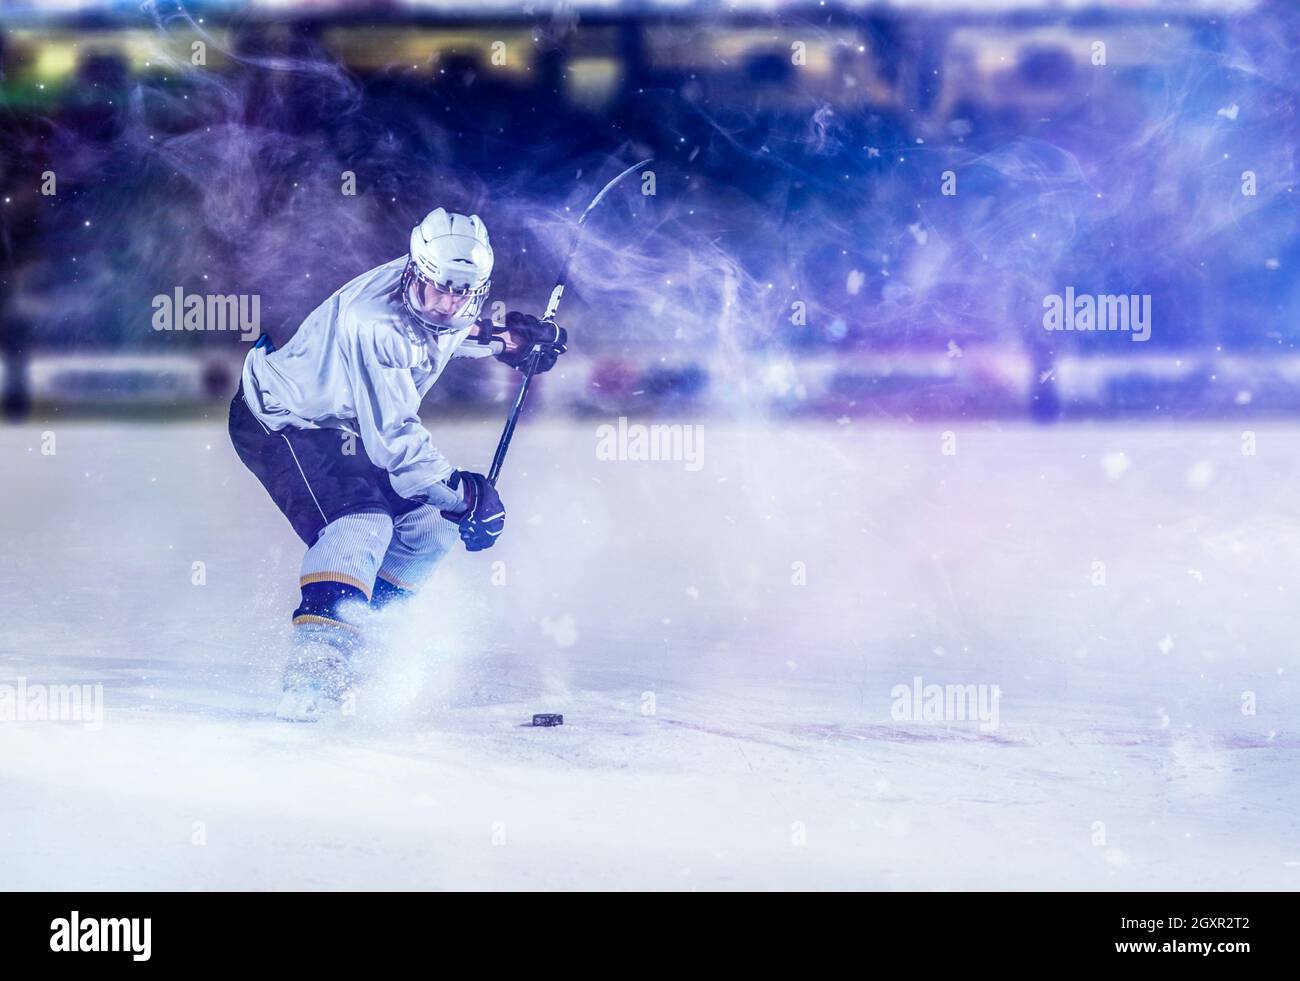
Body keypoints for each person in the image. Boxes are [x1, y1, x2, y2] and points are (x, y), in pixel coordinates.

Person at [228, 208, 567, 720]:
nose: (446, 303)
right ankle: (316, 669)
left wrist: (507, 341)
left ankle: (366, 635)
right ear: (414, 271)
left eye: (461, 293)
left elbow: (445, 330)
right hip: (281, 422)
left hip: (342, 427)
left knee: (430, 526)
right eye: (437, 289)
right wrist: (466, 496)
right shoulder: (375, 322)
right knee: (361, 523)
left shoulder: (440, 294)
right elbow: (396, 446)